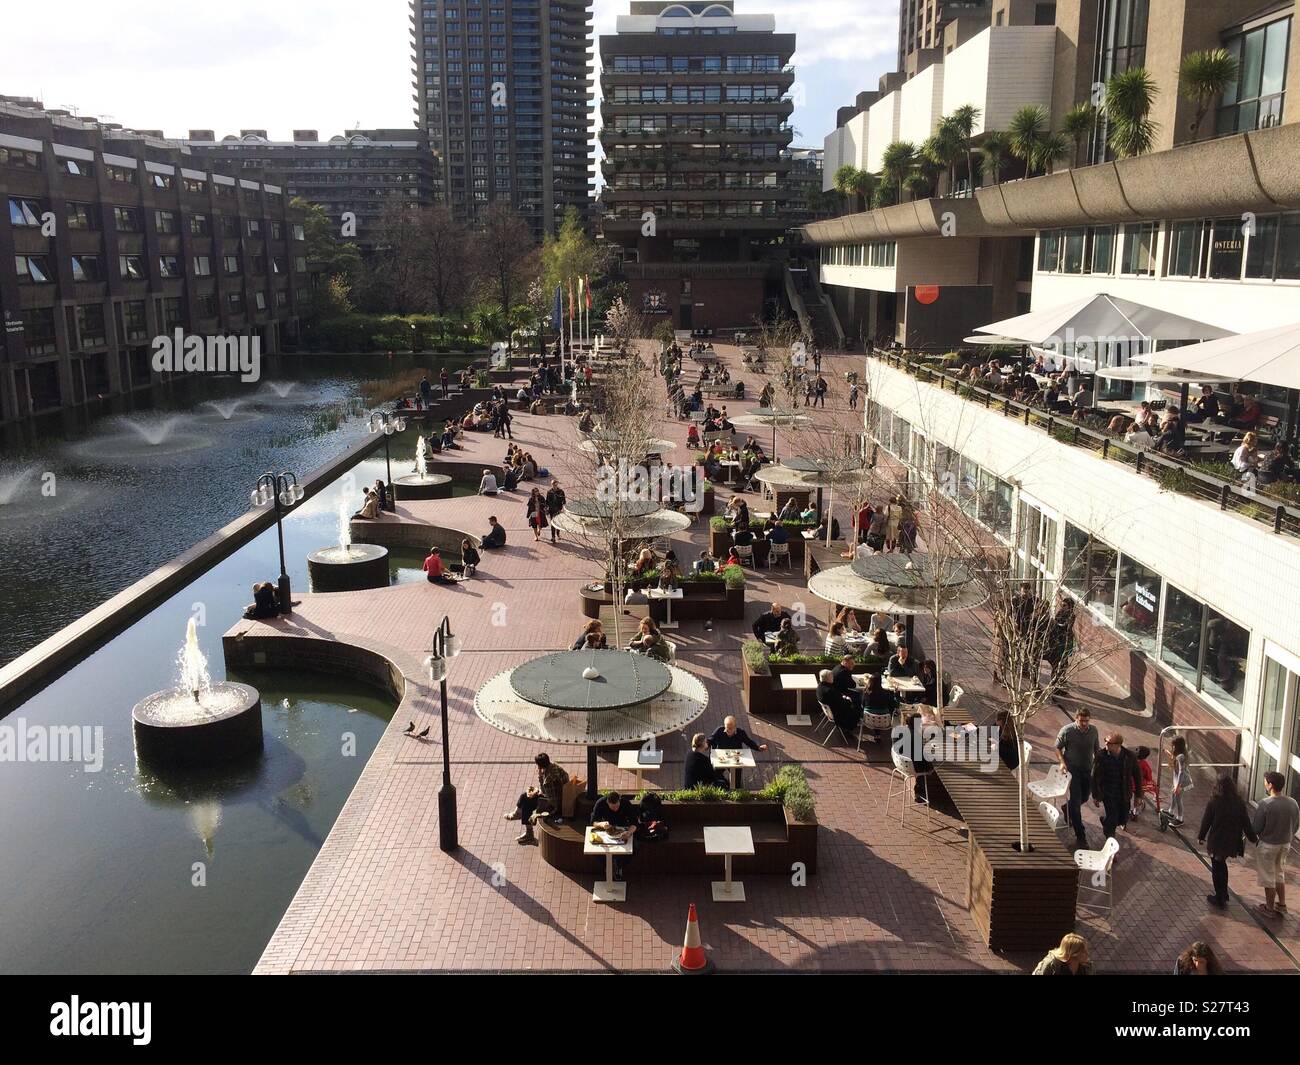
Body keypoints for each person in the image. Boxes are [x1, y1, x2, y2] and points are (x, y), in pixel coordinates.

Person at [1198, 775, 1258, 910]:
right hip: (1231, 841)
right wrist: (1253, 838)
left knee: (1216, 867)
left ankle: (1219, 896)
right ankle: (1223, 894)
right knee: (1222, 864)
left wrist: (1201, 836)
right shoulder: (1239, 803)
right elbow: (1246, 823)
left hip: (1216, 840)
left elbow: (1206, 821)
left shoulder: (1214, 802)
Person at [1251, 770, 1299, 918]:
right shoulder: (1292, 803)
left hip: (1268, 845)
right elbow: (1296, 825)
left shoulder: (1265, 804)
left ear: (1270, 785)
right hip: (1285, 844)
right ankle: (1282, 904)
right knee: (1279, 873)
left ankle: (1269, 908)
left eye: (1265, 781)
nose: (1264, 783)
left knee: (1268, 876)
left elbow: (1257, 828)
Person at [1056, 708, 1100, 848]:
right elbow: (1057, 747)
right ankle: (1081, 835)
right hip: (1073, 770)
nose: (1084, 724)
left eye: (1086, 721)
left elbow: (1096, 750)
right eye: (1081, 721)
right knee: (1076, 803)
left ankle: (1066, 808)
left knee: (1085, 798)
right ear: (1076, 719)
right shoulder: (1067, 731)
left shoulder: (1093, 731)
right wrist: (1062, 763)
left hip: (1087, 769)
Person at [504, 752, 569, 844]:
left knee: (527, 803)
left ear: (540, 765)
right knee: (525, 796)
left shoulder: (548, 780)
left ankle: (528, 832)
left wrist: (539, 778)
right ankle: (517, 814)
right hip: (563, 797)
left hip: (555, 805)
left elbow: (549, 796)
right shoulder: (555, 767)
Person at [1090, 732, 1142, 840]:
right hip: (1108, 793)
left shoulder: (1129, 756)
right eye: (1105, 741)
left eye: (1109, 743)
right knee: (1113, 819)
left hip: (1124, 793)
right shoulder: (1101, 755)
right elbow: (1094, 776)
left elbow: (1137, 776)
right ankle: (1110, 840)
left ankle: (1105, 821)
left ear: (1118, 745)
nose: (1106, 744)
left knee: (1123, 819)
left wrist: (1138, 796)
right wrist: (1096, 795)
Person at [709, 715, 767, 789]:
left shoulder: (740, 733)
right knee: (714, 775)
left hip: (736, 760)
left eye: (731, 728)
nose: (728, 731)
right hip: (722, 758)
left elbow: (748, 742)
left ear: (735, 726)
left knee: (737, 784)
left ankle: (734, 788)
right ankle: (723, 784)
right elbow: (711, 739)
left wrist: (758, 748)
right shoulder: (719, 730)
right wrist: (706, 744)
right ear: (724, 726)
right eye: (727, 728)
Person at [590, 791, 636, 879]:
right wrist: (601, 824)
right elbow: (593, 822)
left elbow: (634, 823)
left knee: (635, 847)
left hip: (623, 830)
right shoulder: (600, 803)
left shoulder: (625, 803)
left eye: (617, 806)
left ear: (619, 801)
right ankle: (608, 866)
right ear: (607, 803)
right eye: (613, 807)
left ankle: (619, 866)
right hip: (607, 831)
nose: (615, 809)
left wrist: (629, 832)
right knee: (595, 849)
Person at [1167, 734, 1191, 826]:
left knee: (1178, 799)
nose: (1172, 747)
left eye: (1173, 745)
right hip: (1177, 780)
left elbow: (1181, 772)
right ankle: (1171, 811)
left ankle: (1180, 818)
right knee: (1173, 795)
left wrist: (1178, 786)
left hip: (1181, 782)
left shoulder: (1181, 757)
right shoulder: (1180, 754)